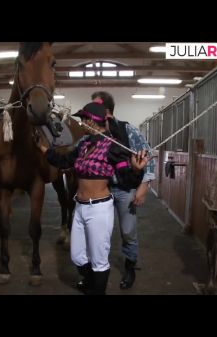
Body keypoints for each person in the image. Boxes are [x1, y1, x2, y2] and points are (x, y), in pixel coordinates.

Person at [36, 102, 149, 295]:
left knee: (99, 260)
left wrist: (137, 171)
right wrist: (46, 150)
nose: (81, 124)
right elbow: (64, 162)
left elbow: (126, 179)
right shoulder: (84, 144)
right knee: (78, 255)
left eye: (83, 120)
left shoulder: (113, 147)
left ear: (93, 121)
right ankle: (89, 281)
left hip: (99, 210)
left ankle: (97, 290)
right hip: (79, 207)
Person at [91, 91, 156, 290]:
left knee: (128, 231)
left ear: (107, 110)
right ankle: (99, 268)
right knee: (100, 233)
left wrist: (143, 187)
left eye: (94, 107)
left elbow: (148, 155)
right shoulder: (93, 132)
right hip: (101, 190)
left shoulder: (127, 130)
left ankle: (130, 266)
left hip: (125, 189)